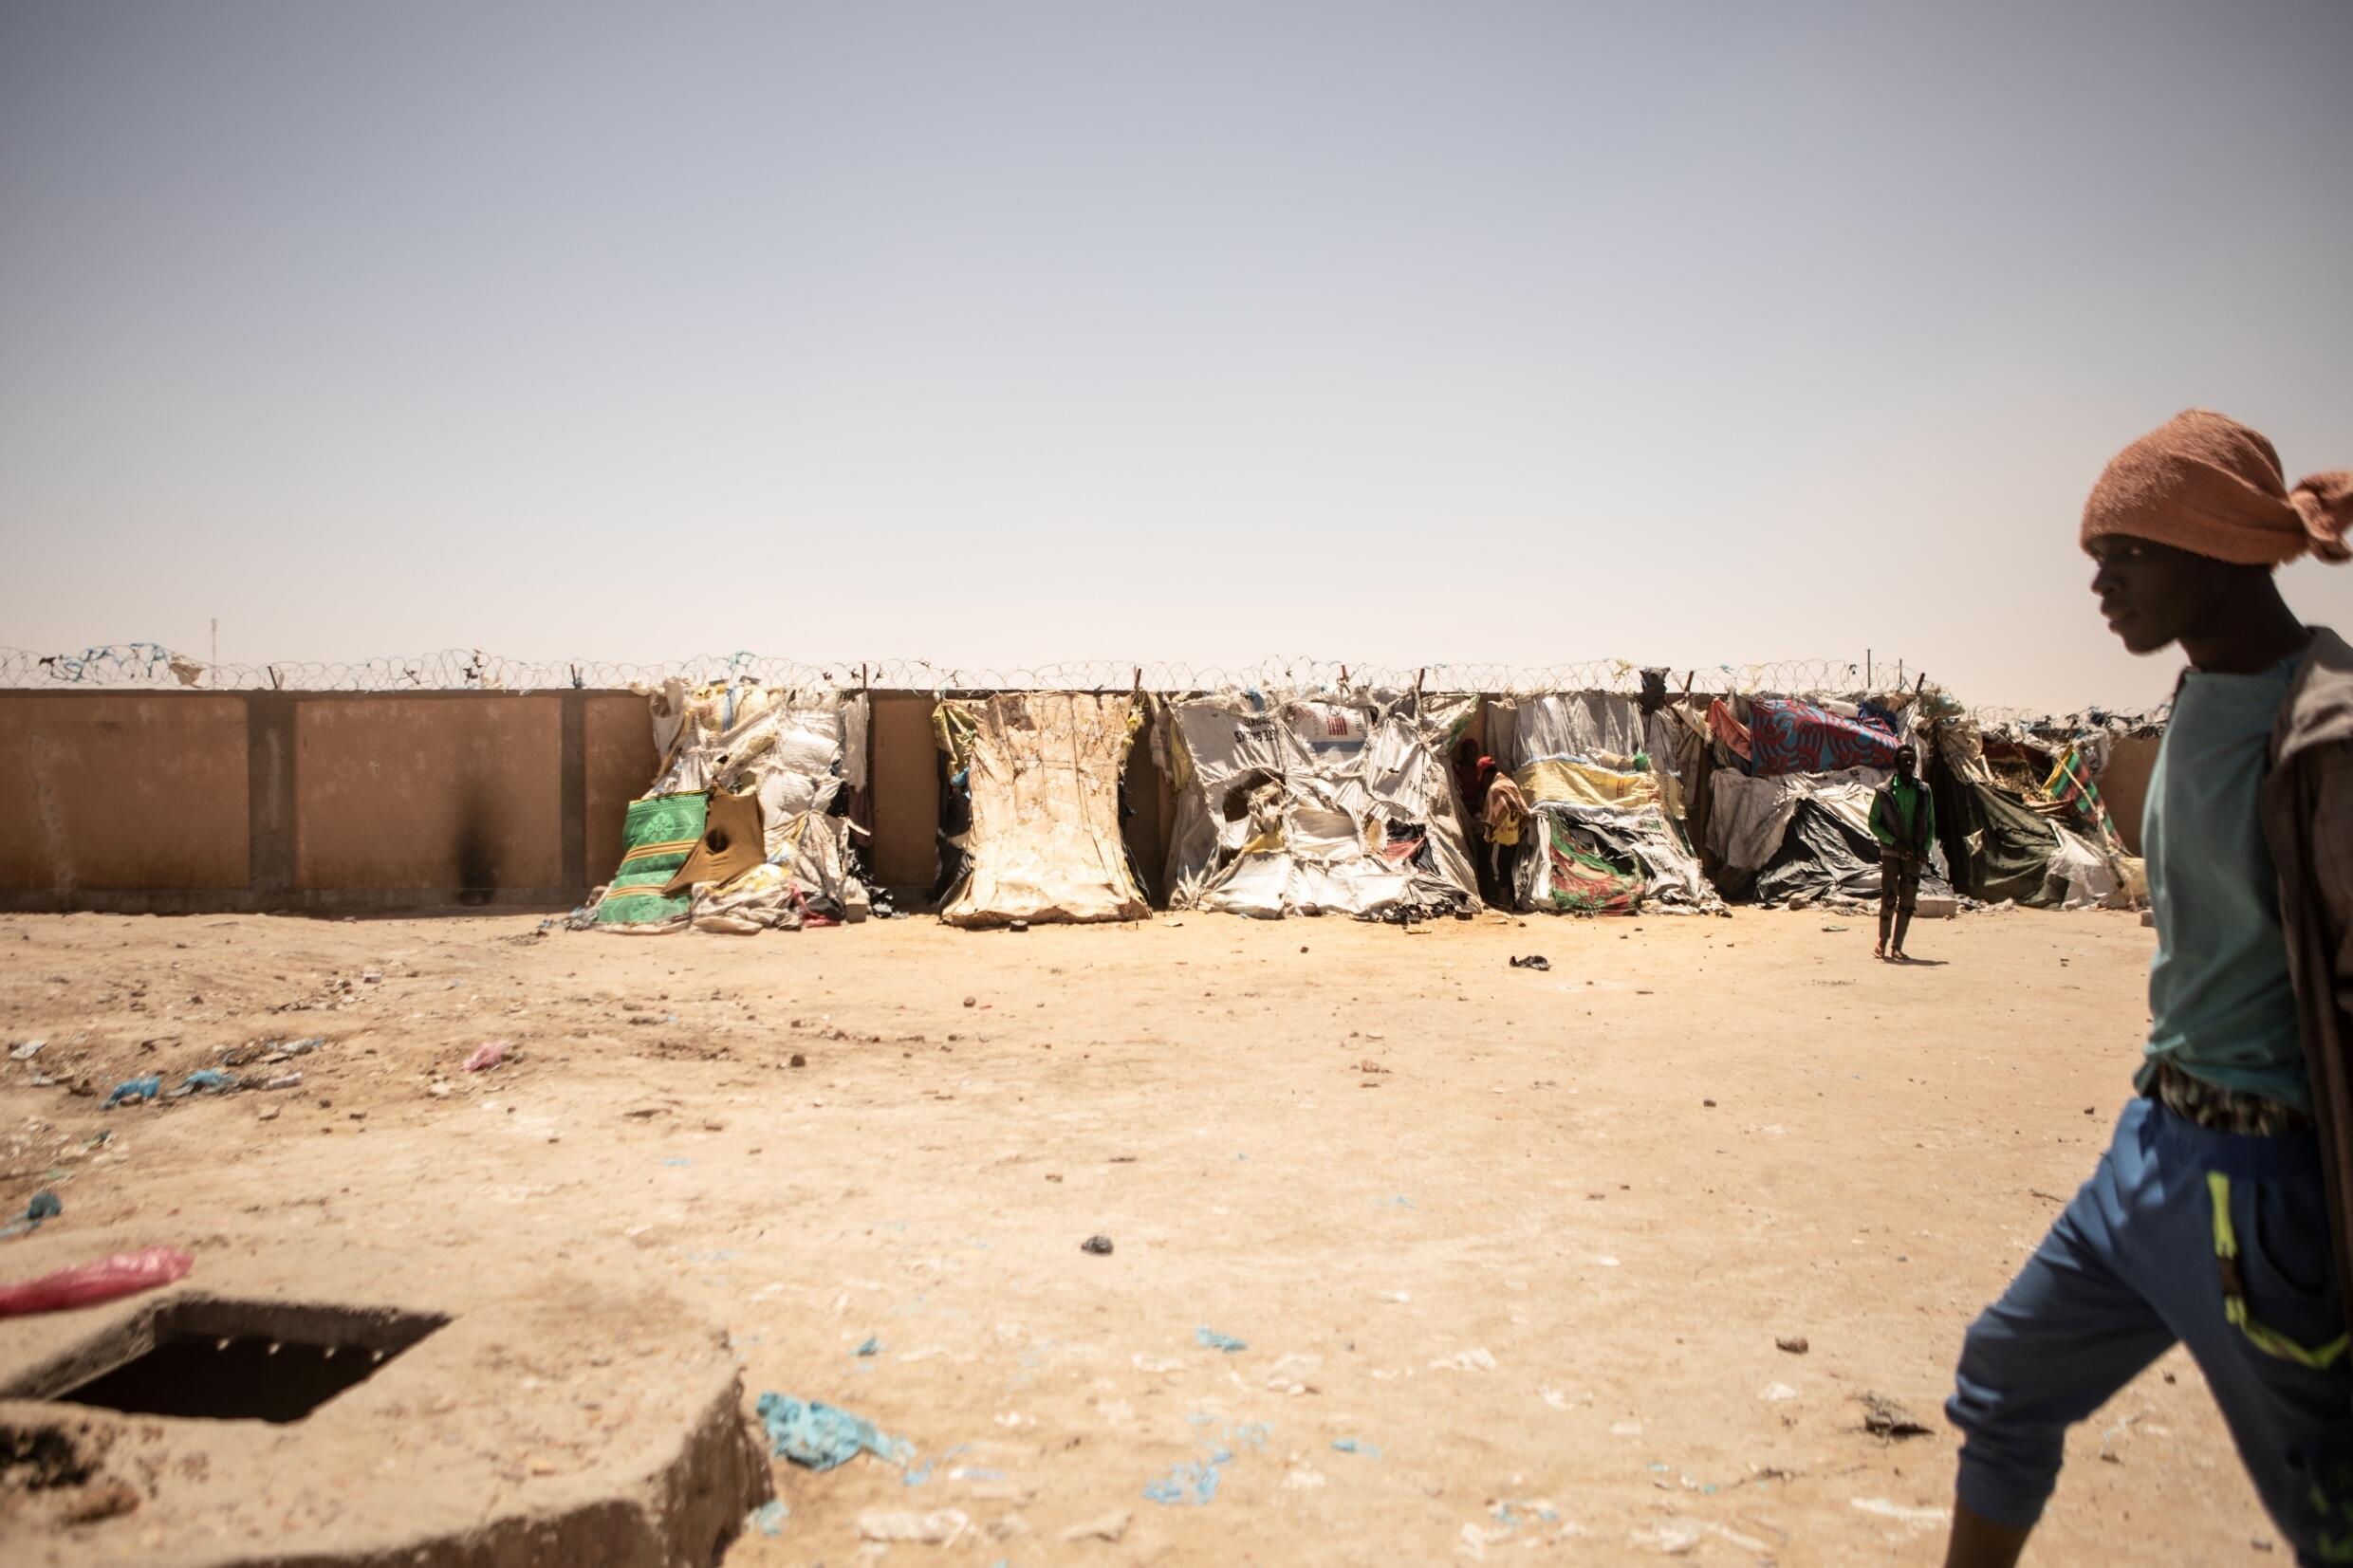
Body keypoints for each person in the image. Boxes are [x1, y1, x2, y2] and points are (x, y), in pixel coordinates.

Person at [1940, 410, 2353, 1566]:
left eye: (2124, 555)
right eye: (2093, 562)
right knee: (2004, 1377)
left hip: (2256, 1193)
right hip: (2151, 1146)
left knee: (2327, 1512)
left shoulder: (2322, 727)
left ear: (2215, 546)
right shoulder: (2196, 700)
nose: (2100, 586)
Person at [1870, 747, 1936, 961]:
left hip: (1915, 854)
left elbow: (1930, 823)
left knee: (1908, 901)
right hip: (1891, 853)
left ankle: (1898, 946)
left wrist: (1925, 849)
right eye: (1904, 761)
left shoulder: (1924, 791)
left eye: (1911, 761)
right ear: (1896, 764)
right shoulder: (1884, 791)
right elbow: (1874, 823)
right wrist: (1894, 842)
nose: (1908, 765)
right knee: (1889, 897)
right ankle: (1882, 939)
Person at [1478, 756, 1527, 907]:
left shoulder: (1495, 789)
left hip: (1499, 838)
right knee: (1507, 868)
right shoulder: (1510, 783)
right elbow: (1522, 809)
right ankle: (1511, 900)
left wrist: (1486, 831)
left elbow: (1491, 818)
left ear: (1487, 773)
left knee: (1497, 869)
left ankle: (1504, 901)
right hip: (1513, 837)